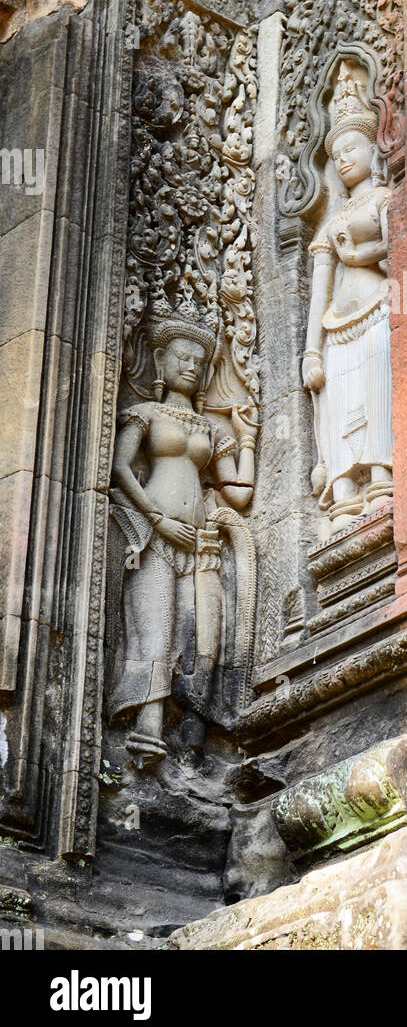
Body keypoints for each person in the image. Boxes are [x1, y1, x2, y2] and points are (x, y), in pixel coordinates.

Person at [108, 297, 256, 766]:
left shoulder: (210, 429)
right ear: (161, 360)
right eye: (181, 357)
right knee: (156, 630)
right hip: (155, 537)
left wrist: (247, 439)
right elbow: (119, 468)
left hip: (201, 543)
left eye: (198, 360)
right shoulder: (146, 415)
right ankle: (148, 730)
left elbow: (238, 492)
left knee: (202, 637)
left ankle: (191, 744)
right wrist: (157, 519)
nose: (190, 366)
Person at [302, 65, 393, 529]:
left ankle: (382, 478)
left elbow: (404, 257)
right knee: (340, 405)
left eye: (351, 148)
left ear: (373, 148)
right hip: (338, 324)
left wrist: (360, 256)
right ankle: (343, 494)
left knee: (378, 397)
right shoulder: (332, 218)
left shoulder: (384, 200)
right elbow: (320, 287)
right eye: (335, 153)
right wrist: (311, 349)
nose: (342, 160)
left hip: (380, 309)